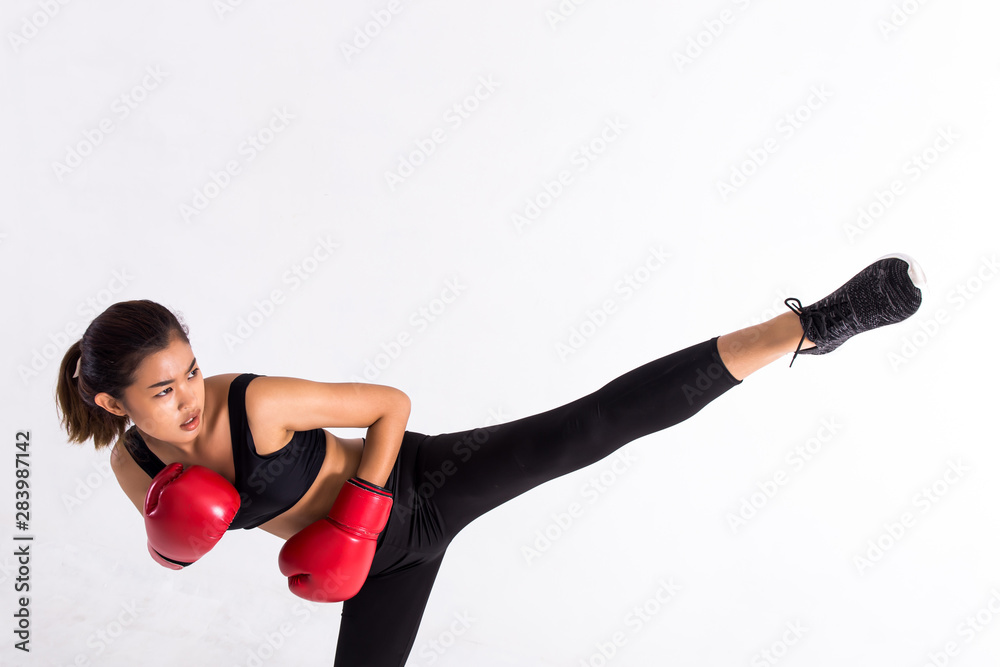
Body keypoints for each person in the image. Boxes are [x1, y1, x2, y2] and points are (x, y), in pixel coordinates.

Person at [56, 253, 926, 666]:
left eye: (190, 368)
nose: (189, 395)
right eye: (163, 390)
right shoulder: (132, 468)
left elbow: (389, 406)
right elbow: (175, 545)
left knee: (591, 427)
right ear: (113, 403)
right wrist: (175, 534)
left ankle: (810, 324)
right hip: (376, 574)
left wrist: (359, 516)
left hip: (418, 490)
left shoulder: (257, 402)